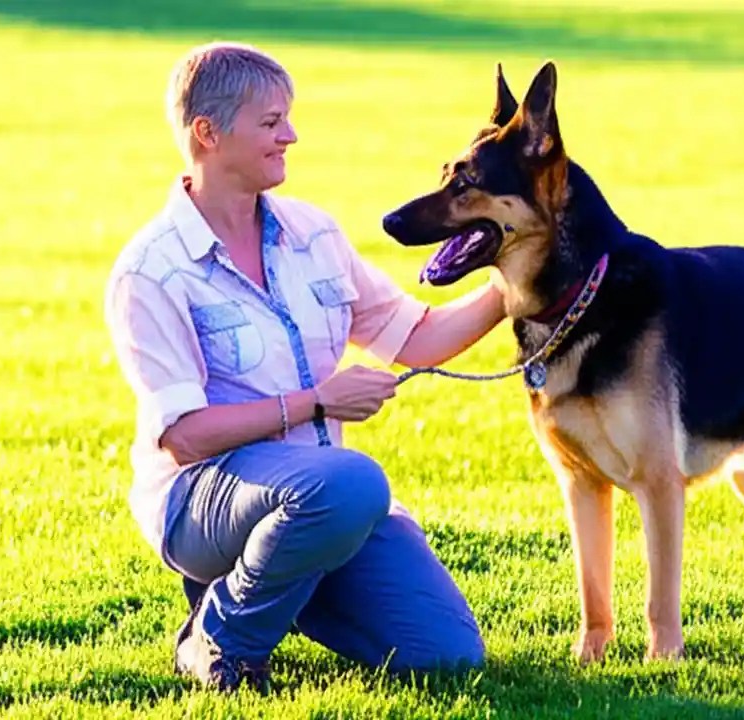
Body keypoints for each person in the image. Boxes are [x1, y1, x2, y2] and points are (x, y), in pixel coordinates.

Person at [104, 42, 505, 693]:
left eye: (287, 118)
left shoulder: (314, 235)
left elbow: (420, 338)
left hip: (318, 501)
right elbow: (182, 437)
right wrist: (316, 402)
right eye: (270, 122)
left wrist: (519, 286)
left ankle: (278, 578)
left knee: (447, 654)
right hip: (199, 502)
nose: (290, 135)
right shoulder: (152, 269)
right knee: (353, 482)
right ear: (207, 133)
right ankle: (222, 638)